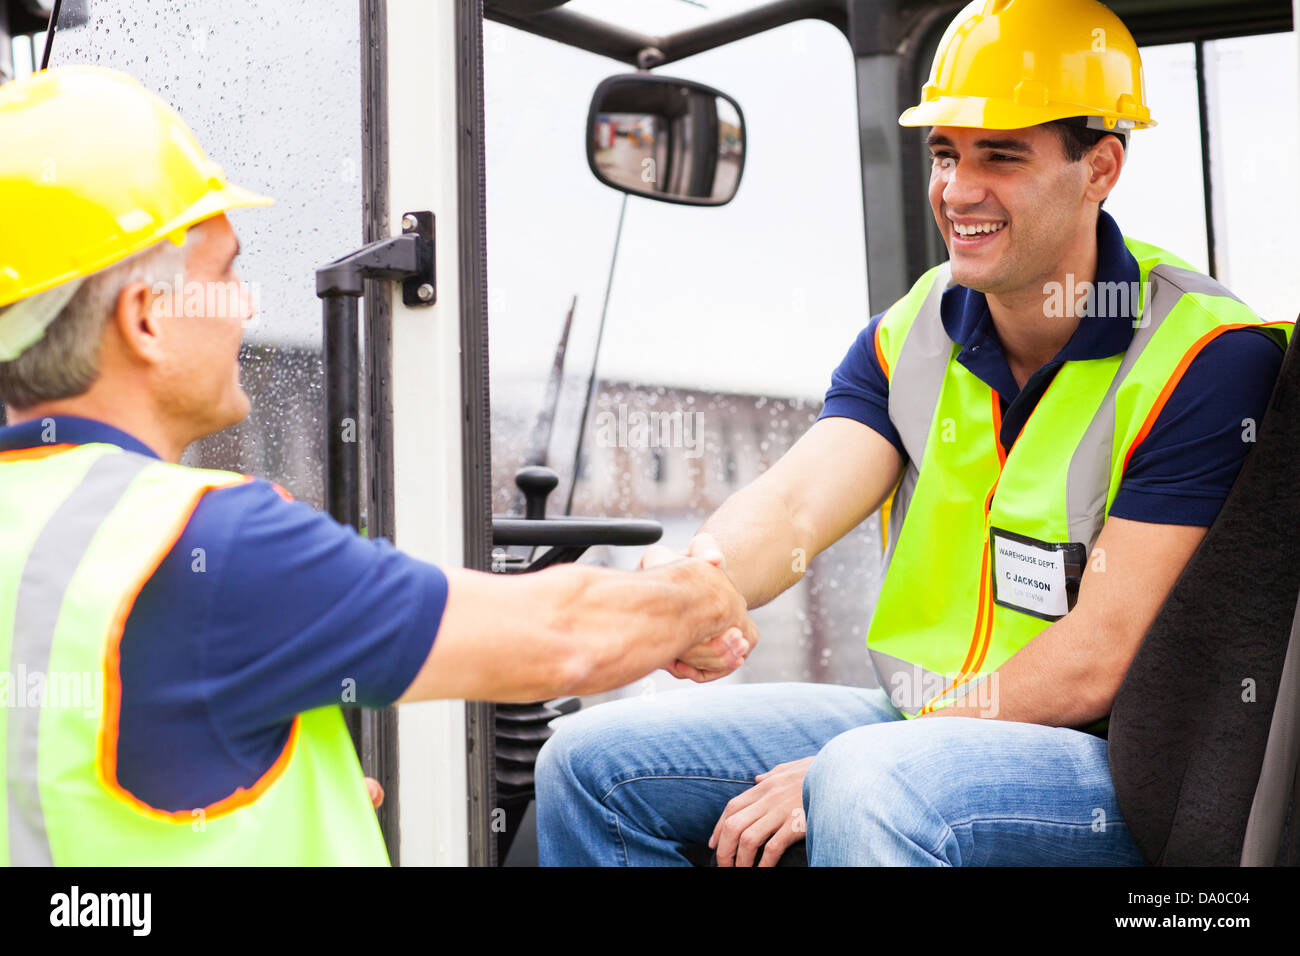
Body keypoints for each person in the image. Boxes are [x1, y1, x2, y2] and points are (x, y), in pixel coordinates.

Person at [534, 0, 1294, 867]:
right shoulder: (913, 334)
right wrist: (688, 592)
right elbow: (791, 510)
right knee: (592, 765)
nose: (958, 190)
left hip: (1116, 765)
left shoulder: (1203, 356)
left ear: (1100, 168)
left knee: (868, 780)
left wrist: (839, 766)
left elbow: (1098, 660)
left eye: (1000, 156)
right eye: (945, 153)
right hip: (918, 718)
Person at [0, 65, 757, 866]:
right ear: (147, 318)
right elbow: (560, 637)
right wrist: (698, 594)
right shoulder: (210, 543)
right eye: (223, 276)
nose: (248, 306)